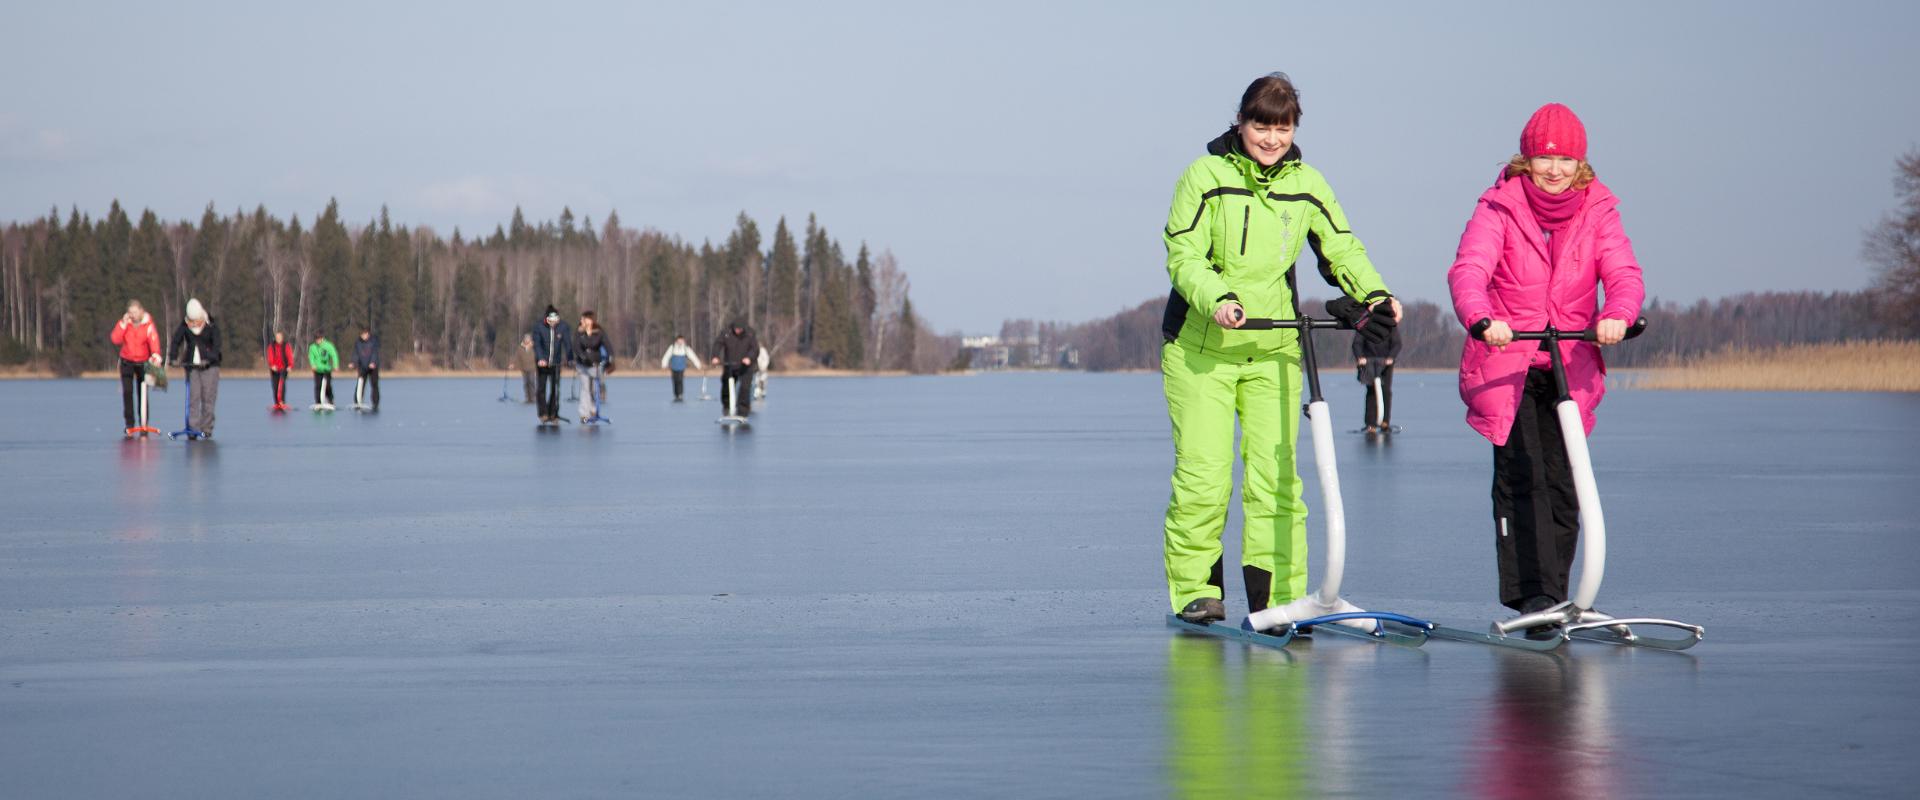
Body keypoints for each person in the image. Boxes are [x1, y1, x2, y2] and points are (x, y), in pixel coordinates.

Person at [1158, 73, 1401, 624]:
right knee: (1205, 475)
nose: (1271, 138)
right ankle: (1198, 593)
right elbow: (1183, 253)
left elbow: (1340, 245)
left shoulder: (1307, 184)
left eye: (1282, 127)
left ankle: (1279, 600)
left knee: (1277, 478)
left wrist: (1376, 294)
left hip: (1273, 349)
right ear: (1241, 122)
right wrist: (1216, 298)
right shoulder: (1205, 177)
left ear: (1295, 128)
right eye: (1261, 125)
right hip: (1202, 350)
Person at [1446, 103, 1645, 623]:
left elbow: (1623, 272)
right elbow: (1470, 269)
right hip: (1508, 363)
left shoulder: (1599, 210)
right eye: (1543, 159)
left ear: (1581, 165)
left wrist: (1618, 314)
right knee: (1523, 478)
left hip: (1570, 364)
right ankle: (1530, 594)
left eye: (1564, 161)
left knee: (1564, 480)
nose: (1553, 171)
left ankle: (1560, 594)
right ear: (1525, 160)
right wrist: (1482, 317)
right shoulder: (1498, 208)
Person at [167, 298, 222, 437]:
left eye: (196, 321)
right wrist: (173, 358)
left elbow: (217, 347)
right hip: (192, 367)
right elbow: (175, 341)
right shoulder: (185, 325)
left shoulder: (211, 326)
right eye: (191, 321)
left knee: (208, 398)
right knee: (193, 398)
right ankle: (192, 429)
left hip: (210, 367)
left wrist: (209, 358)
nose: (194, 324)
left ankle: (207, 428)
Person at [109, 299, 162, 436]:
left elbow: (153, 340)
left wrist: (156, 355)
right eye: (130, 312)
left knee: (143, 393)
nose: (132, 315)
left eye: (135, 312)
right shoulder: (125, 324)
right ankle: (129, 424)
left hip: (143, 363)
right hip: (127, 362)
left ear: (141, 311)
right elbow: (115, 339)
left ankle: (143, 423)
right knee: (127, 393)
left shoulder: (148, 325)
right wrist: (122, 324)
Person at [1353, 321, 1401, 433]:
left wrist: (1391, 357)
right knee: (1371, 392)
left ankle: (1385, 422)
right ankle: (1370, 424)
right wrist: (1360, 357)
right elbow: (1357, 343)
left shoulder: (1389, 324)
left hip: (1385, 363)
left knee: (1386, 391)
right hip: (1368, 362)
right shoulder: (1364, 323)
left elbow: (1397, 343)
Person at [530, 305, 573, 423]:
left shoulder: (563, 327)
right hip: (542, 363)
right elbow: (537, 344)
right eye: (551, 320)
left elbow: (568, 343)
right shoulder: (539, 327)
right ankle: (543, 413)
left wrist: (570, 359)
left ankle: (553, 413)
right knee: (541, 388)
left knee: (555, 388)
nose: (553, 323)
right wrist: (540, 358)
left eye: (555, 320)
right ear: (546, 319)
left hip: (556, 362)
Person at [710, 319, 758, 416]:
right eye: (736, 329)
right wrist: (715, 356)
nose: (737, 331)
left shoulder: (750, 334)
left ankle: (743, 412)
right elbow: (718, 344)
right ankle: (726, 407)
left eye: (739, 329)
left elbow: (755, 349)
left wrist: (749, 358)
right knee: (726, 386)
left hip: (746, 366)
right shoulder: (726, 333)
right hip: (730, 364)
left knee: (745, 388)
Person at [572, 310, 612, 420]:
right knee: (585, 388)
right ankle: (584, 413)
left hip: (595, 365)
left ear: (590, 320)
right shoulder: (579, 332)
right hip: (583, 365)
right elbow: (576, 346)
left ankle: (593, 410)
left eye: (584, 319)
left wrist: (610, 359)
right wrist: (582, 356)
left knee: (594, 388)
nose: (581, 321)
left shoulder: (599, 332)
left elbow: (608, 345)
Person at [659, 335, 702, 401]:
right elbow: (666, 356)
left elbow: (692, 356)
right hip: (674, 367)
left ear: (683, 340)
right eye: (679, 340)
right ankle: (676, 394)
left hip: (681, 367)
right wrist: (664, 365)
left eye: (681, 340)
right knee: (675, 380)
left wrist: (698, 365)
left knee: (680, 380)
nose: (680, 341)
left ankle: (680, 394)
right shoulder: (672, 347)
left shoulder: (685, 348)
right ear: (677, 340)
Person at [351, 327, 380, 409]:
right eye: (361, 334)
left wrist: (372, 362)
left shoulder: (374, 342)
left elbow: (375, 353)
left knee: (374, 384)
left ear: (368, 334)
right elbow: (356, 353)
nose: (362, 336)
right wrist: (353, 362)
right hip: (362, 366)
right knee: (360, 384)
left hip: (373, 367)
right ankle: (357, 401)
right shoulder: (358, 343)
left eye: (364, 334)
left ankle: (375, 403)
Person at [309, 331, 340, 407]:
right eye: (316, 339)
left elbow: (334, 355)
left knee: (327, 386)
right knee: (318, 386)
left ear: (322, 338)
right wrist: (313, 365)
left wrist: (335, 365)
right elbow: (311, 357)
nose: (318, 341)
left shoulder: (328, 346)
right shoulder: (312, 347)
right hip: (317, 370)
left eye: (319, 339)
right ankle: (318, 402)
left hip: (327, 369)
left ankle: (330, 400)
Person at [266, 330, 295, 409]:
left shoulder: (286, 346)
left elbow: (290, 356)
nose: (278, 339)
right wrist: (272, 365)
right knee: (274, 385)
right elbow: (270, 357)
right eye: (277, 337)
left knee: (281, 384)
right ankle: (276, 402)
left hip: (284, 369)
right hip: (274, 369)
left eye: (279, 337)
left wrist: (290, 366)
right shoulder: (271, 346)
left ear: (282, 338)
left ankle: (282, 401)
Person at [515, 334, 538, 404]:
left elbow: (537, 357)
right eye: (526, 339)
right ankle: (527, 398)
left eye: (528, 339)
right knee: (526, 383)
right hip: (524, 368)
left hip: (532, 368)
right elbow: (518, 358)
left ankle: (533, 397)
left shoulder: (534, 347)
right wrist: (515, 365)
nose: (527, 341)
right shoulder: (520, 348)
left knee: (532, 382)